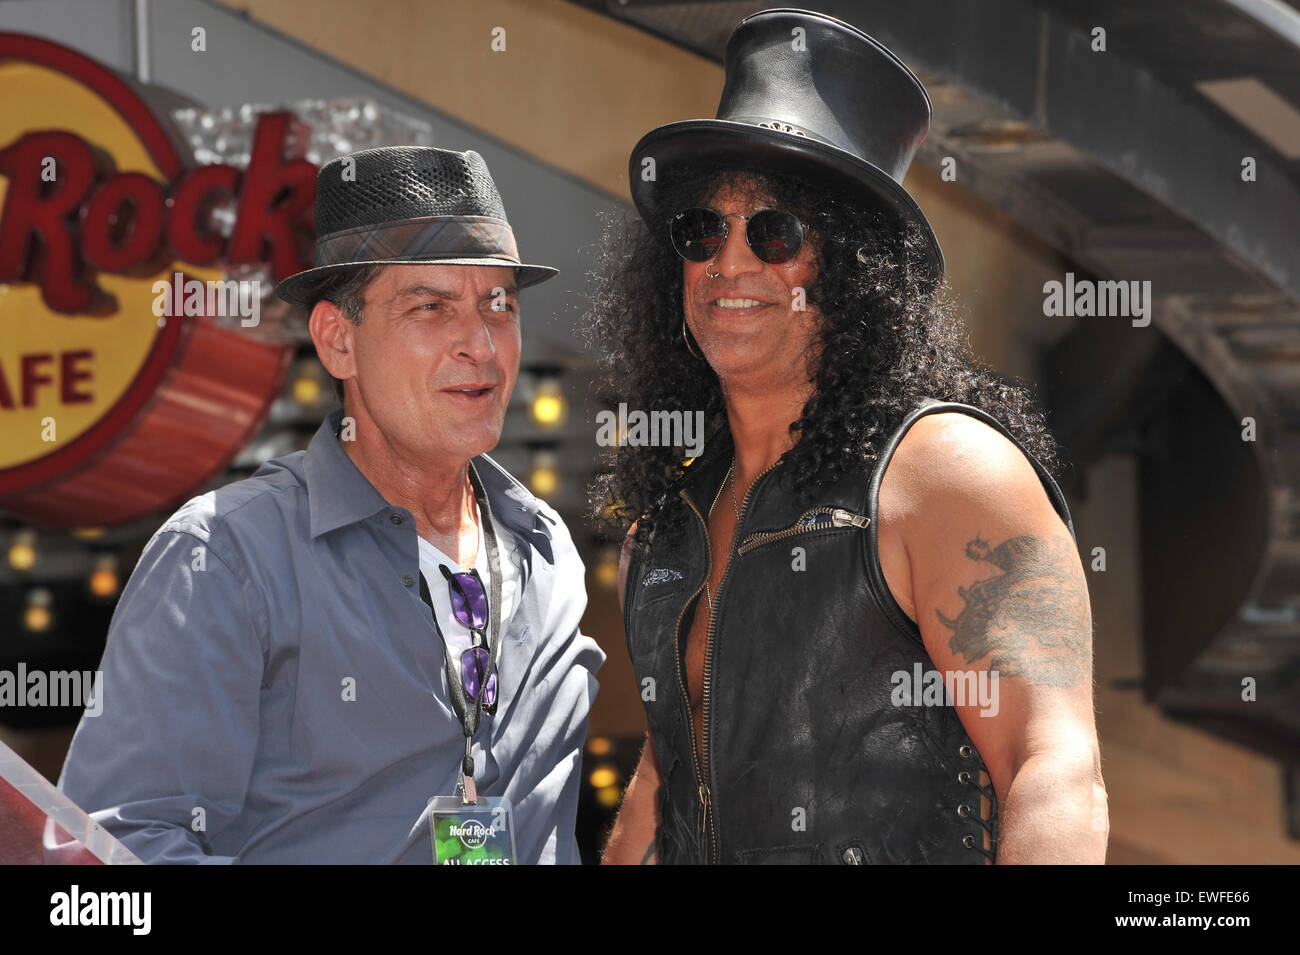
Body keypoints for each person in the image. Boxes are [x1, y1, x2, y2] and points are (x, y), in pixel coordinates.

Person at [593, 9, 1106, 864]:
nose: (730, 264)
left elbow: (1049, 768)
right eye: (702, 230)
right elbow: (662, 782)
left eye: (774, 232)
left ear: (855, 265)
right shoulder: (662, 528)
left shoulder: (946, 474)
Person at [59, 146, 604, 864]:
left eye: (498, 306)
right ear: (337, 340)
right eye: (430, 307)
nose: (479, 343)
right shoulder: (226, 558)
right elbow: (112, 853)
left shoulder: (546, 550)